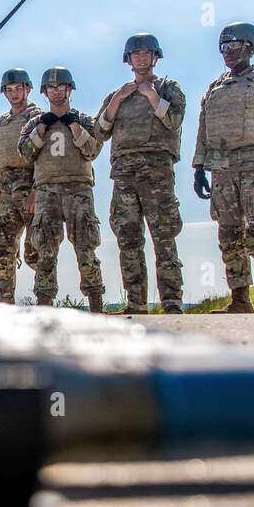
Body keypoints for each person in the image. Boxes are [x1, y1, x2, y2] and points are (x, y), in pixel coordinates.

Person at [192, 22, 254, 314]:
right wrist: (199, 167)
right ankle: (240, 299)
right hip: (221, 170)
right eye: (224, 47)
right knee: (228, 235)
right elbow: (203, 128)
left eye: (235, 45)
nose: (229, 52)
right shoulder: (215, 87)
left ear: (250, 47)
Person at [94, 33, 186, 314]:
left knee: (164, 237)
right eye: (136, 54)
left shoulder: (169, 88)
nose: (141, 58)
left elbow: (173, 121)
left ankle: (171, 302)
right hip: (124, 174)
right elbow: (100, 131)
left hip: (156, 172)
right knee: (128, 240)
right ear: (128, 60)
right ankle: (136, 303)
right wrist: (118, 100)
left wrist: (150, 94)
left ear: (155, 57)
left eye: (146, 53)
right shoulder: (117, 94)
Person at [17, 67, 106, 312]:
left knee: (86, 248)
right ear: (44, 92)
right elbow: (24, 153)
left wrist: (75, 129)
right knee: (45, 250)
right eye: (51, 88)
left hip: (78, 189)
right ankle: (44, 305)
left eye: (60, 87)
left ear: (69, 89)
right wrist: (41, 129)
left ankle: (96, 304)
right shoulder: (35, 122)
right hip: (48, 191)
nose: (56, 92)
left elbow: (92, 151)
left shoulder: (84, 119)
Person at [0, 69, 43, 303]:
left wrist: (37, 191)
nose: (14, 93)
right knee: (3, 251)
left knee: (36, 250)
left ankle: (45, 299)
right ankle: (4, 301)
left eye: (18, 89)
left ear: (28, 89)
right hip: (6, 194)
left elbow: (45, 159)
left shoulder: (39, 118)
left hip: (31, 189)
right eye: (9, 90)